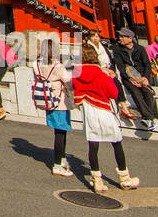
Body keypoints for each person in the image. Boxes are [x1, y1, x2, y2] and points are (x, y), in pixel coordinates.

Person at [73, 42, 139, 193]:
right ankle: (124, 178)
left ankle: (97, 181)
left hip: (88, 110)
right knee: (116, 143)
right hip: (102, 109)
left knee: (93, 146)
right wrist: (109, 77)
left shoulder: (77, 72)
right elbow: (113, 93)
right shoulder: (100, 73)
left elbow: (74, 88)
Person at [35, 39, 73, 176]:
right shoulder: (58, 66)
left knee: (60, 131)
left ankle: (62, 158)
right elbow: (68, 83)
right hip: (59, 100)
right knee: (60, 133)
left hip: (47, 99)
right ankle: (57, 164)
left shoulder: (36, 64)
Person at [111, 28, 157, 131]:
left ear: (130, 38)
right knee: (136, 93)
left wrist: (145, 77)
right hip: (128, 78)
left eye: (123, 37)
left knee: (147, 93)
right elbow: (121, 66)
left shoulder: (140, 49)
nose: (120, 39)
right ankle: (150, 118)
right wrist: (129, 78)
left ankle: (147, 118)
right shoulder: (117, 50)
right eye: (120, 36)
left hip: (141, 77)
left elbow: (147, 64)